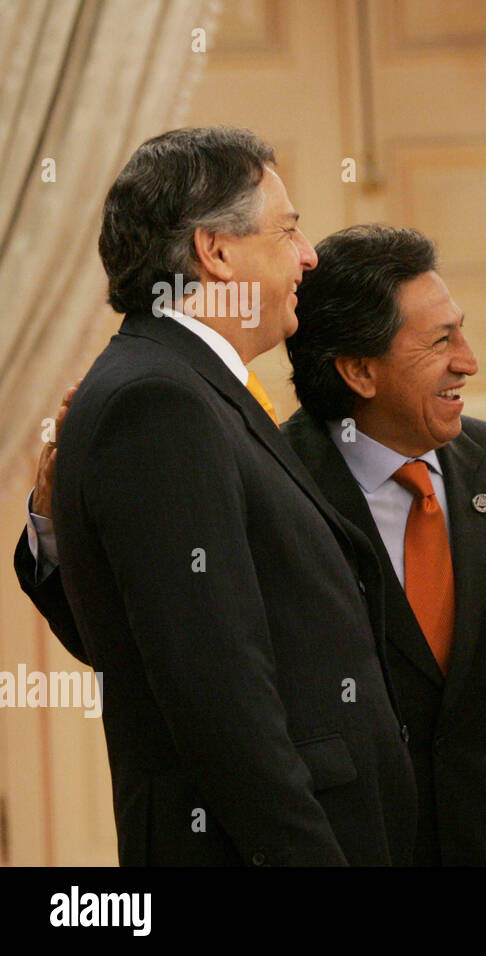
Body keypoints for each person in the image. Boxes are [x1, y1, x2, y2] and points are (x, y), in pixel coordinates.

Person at [19, 224, 486, 866]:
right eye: (441, 341)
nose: (468, 360)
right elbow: (167, 649)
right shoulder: (266, 476)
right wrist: (57, 521)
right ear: (360, 371)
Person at [12, 127, 418, 865]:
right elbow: (216, 694)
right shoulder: (160, 402)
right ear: (217, 251)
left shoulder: (189, 386)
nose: (309, 255)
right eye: (288, 230)